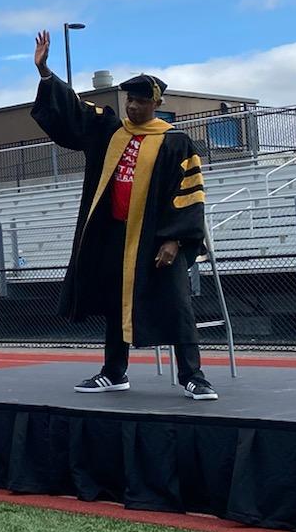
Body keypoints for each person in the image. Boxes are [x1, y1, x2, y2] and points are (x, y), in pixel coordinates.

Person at [29, 30, 216, 400]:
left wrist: (175, 239)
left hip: (156, 237)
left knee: (177, 304)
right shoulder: (109, 131)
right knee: (116, 304)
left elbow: (190, 195)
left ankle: (193, 376)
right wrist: (45, 72)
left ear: (156, 103)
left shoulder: (175, 142)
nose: (133, 107)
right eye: (130, 99)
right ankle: (114, 372)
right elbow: (73, 110)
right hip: (115, 234)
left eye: (141, 101)